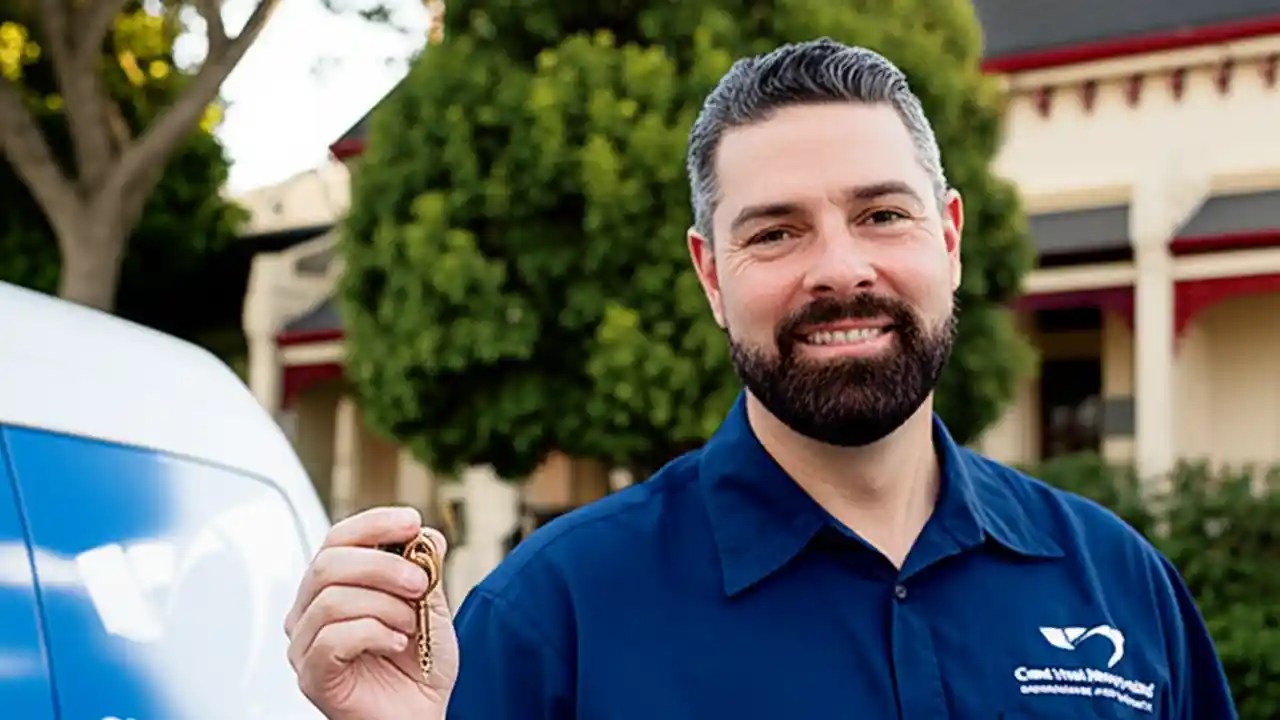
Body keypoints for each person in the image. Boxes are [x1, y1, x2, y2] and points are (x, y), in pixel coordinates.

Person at [285, 37, 1238, 719]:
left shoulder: (1119, 586)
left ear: (948, 239)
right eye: (776, 232)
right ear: (711, 274)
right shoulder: (552, 616)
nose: (839, 269)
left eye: (882, 215)